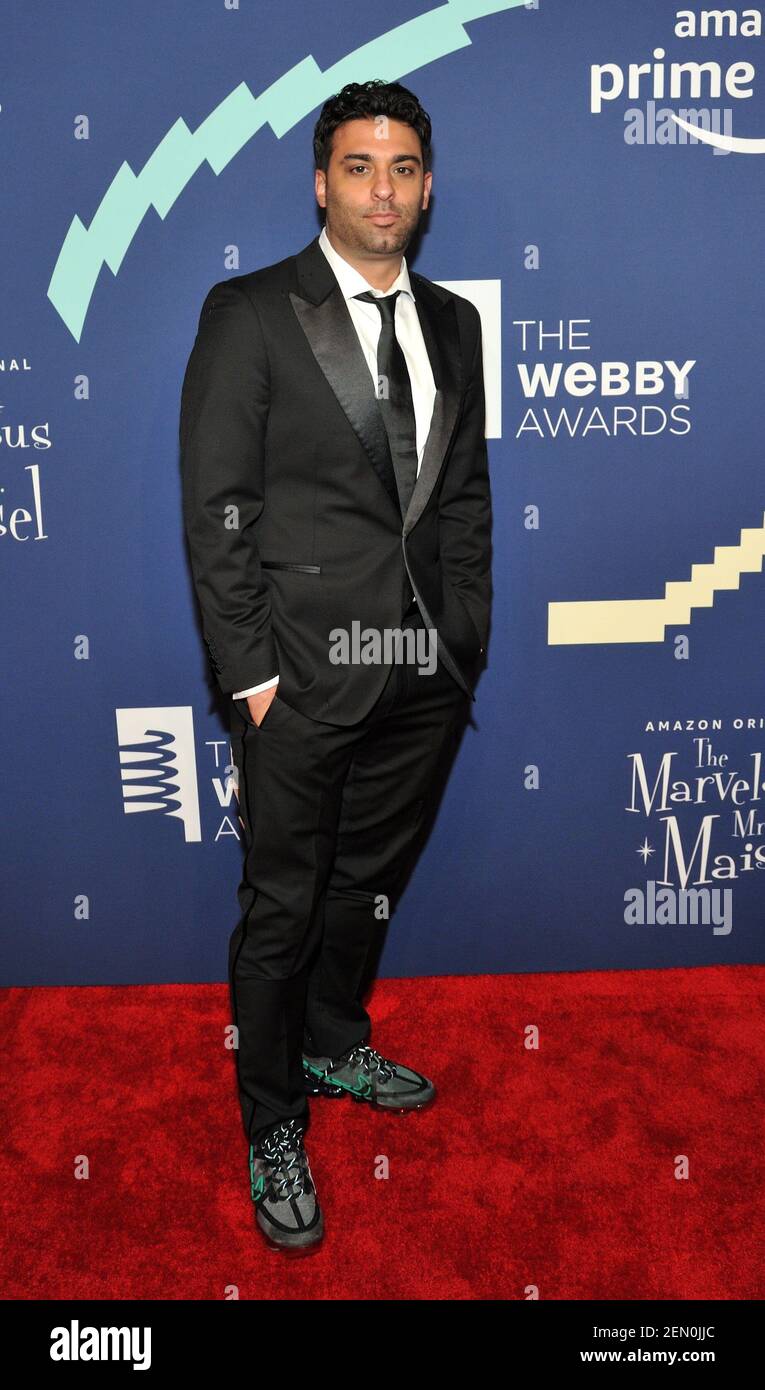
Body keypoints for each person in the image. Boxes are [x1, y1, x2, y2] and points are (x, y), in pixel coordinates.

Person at [179, 78, 492, 1253]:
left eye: (403, 167)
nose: (383, 188)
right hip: (301, 682)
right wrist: (253, 678)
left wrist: (465, 638)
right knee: (282, 906)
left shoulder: (455, 320)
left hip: (422, 678)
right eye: (359, 165)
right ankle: (273, 1119)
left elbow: (462, 498)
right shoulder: (250, 312)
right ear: (322, 181)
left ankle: (331, 1040)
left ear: (425, 186)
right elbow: (218, 509)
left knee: (369, 882)